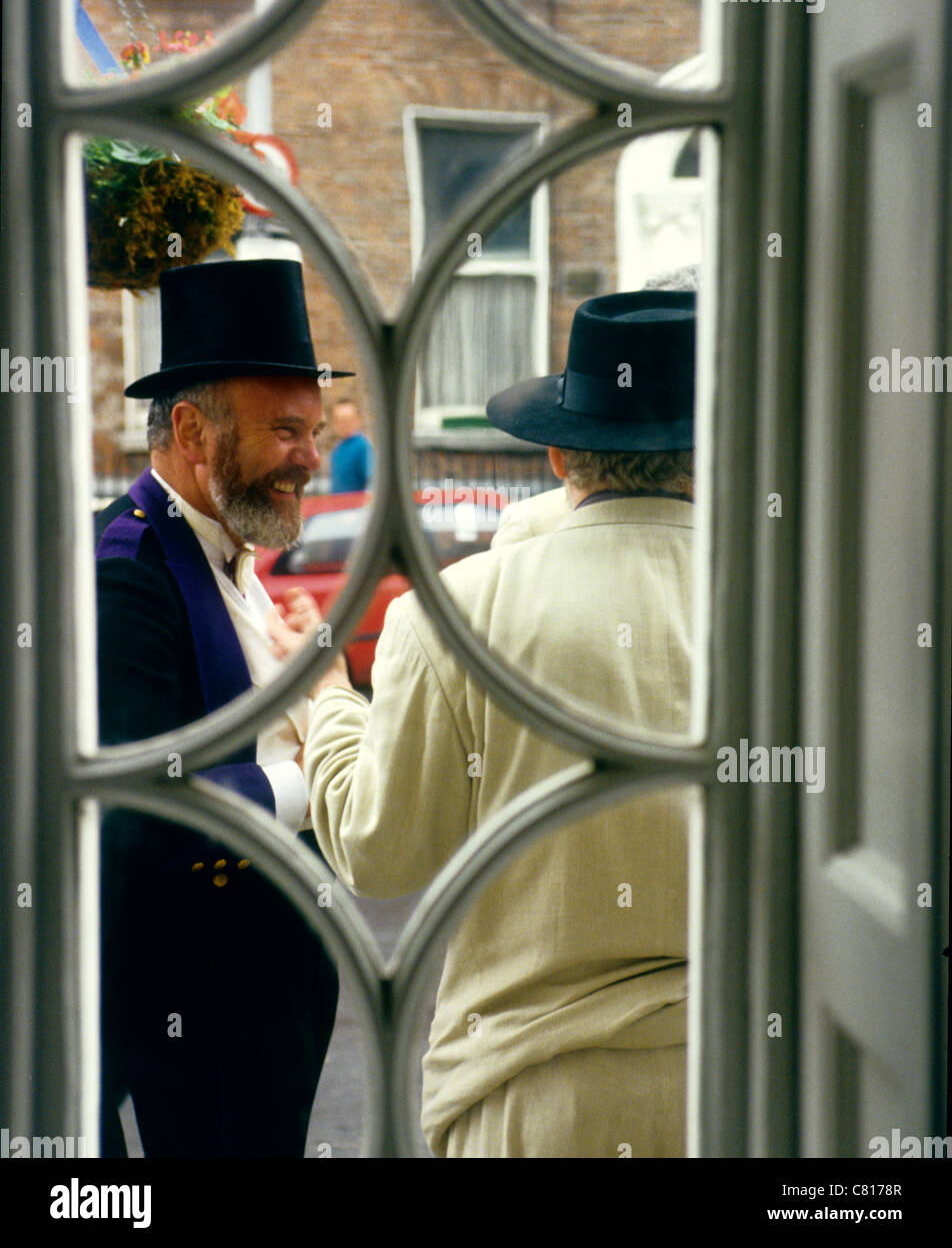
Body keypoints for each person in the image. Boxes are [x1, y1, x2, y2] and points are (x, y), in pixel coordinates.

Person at [281, 289, 697, 1158]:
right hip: (744, 1083)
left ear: (555, 453)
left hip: (531, 1093)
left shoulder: (460, 608)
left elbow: (377, 846)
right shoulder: (794, 613)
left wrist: (327, 702)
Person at [95, 258, 349, 1157]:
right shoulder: (129, 573)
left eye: (312, 431)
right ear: (194, 431)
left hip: (275, 991)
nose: (309, 460)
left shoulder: (225, 552)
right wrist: (310, 780)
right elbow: (141, 813)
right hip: (201, 1013)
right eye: (286, 430)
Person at [327, 397, 373, 493]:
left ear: (358, 420)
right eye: (339, 420)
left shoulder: (362, 447)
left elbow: (372, 483)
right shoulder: (337, 450)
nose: (344, 424)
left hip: (356, 507)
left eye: (348, 420)